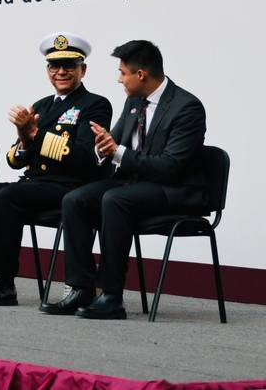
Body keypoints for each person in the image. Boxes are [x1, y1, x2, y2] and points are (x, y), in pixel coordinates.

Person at [0, 32, 112, 305]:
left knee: (8, 197)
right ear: (47, 70)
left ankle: (4, 282)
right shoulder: (41, 106)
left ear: (83, 69)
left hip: (68, 187)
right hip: (34, 184)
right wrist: (24, 138)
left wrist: (34, 134)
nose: (61, 72)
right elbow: (14, 159)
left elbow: (83, 157)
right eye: (54, 66)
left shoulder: (95, 105)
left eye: (69, 65)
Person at [40, 40, 206, 319]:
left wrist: (117, 153)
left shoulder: (186, 107)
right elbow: (112, 141)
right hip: (135, 184)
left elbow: (172, 167)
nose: (119, 79)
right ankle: (81, 287)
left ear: (140, 74)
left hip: (171, 190)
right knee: (75, 199)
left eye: (123, 73)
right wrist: (102, 147)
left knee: (115, 200)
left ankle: (112, 295)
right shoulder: (133, 102)